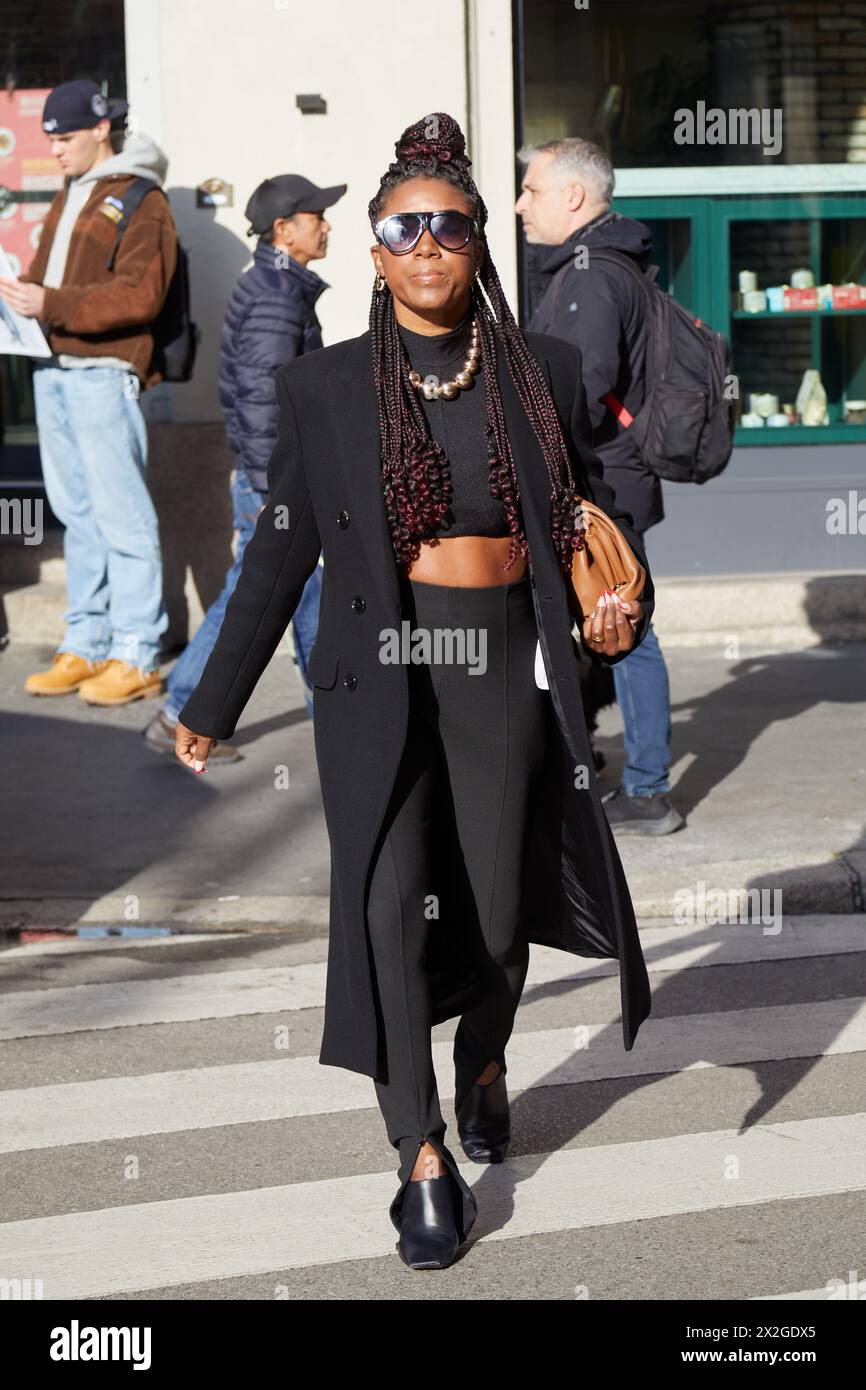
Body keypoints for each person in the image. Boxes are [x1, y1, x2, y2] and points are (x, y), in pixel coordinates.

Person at [173, 113, 656, 1271]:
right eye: (404, 227)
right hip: (374, 671)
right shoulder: (326, 386)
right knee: (388, 908)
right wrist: (212, 700)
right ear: (376, 253)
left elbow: (594, 504)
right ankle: (420, 1153)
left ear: (479, 243)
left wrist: (615, 595)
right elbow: (280, 546)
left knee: (491, 916)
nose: (427, 242)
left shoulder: (542, 370)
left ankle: (484, 1056)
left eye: (449, 223)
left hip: (497, 661)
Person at [143, 174, 344, 761]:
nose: (327, 225)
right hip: (273, 481)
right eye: (316, 216)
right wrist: (267, 487)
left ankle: (190, 707)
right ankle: (187, 709)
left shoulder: (277, 287)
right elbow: (261, 398)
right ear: (284, 228)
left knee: (280, 592)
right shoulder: (276, 296)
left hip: (272, 477)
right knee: (275, 594)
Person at [518, 137, 684, 835]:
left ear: (574, 198)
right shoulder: (584, 266)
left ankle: (651, 791)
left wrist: (527, 461)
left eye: (532, 190)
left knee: (629, 627)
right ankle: (596, 763)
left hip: (602, 486)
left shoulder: (590, 276)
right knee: (598, 621)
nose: (522, 203)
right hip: (602, 480)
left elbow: (577, 391)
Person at [0, 79, 177, 705]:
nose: (54, 149)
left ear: (102, 129)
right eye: (48, 138)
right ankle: (88, 640)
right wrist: (23, 297)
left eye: (66, 137)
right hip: (53, 369)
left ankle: (137, 651)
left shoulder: (142, 199)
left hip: (103, 373)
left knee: (121, 515)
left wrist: (51, 302)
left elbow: (141, 296)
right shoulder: (72, 193)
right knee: (78, 516)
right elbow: (52, 281)